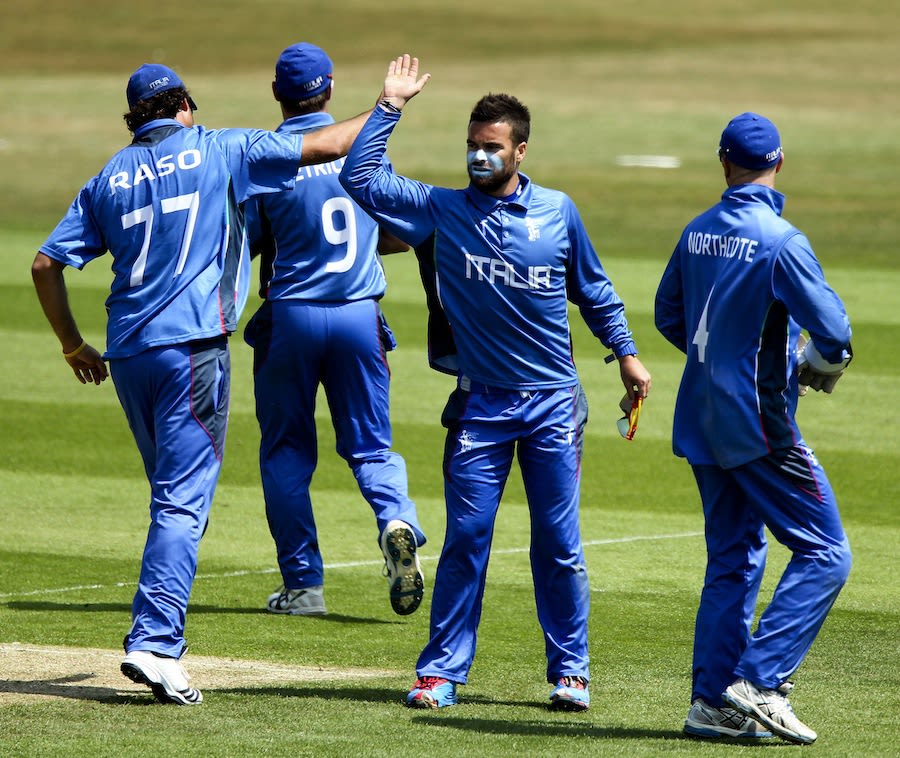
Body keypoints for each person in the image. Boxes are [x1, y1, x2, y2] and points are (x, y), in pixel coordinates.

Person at [30, 57, 427, 706]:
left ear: (134, 119)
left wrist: (73, 344)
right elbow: (331, 145)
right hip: (194, 350)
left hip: (128, 356)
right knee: (182, 503)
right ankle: (156, 646)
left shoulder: (107, 177)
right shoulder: (221, 148)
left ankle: (218, 613)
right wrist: (390, 105)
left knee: (174, 498)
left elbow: (46, 264)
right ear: (185, 105)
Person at [340, 56, 652, 710]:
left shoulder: (558, 213)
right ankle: (440, 673)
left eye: (492, 148)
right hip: (480, 406)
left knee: (559, 545)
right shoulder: (440, 210)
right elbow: (359, 177)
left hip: (552, 407)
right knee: (466, 542)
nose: (479, 157)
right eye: (472, 146)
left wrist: (625, 353)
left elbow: (594, 292)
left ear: (520, 151)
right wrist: (390, 106)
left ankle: (571, 673)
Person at [654, 112, 852, 744]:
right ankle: (761, 681)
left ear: (723, 162)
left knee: (734, 559)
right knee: (827, 553)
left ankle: (711, 705)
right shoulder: (781, 240)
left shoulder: (697, 230)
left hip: (702, 419)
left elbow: (667, 315)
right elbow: (835, 333)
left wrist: (723, 363)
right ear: (781, 162)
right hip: (759, 425)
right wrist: (807, 362)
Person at [243, 42, 426, 618]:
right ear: (330, 89)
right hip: (358, 318)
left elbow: (247, 241)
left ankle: (304, 587)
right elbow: (399, 231)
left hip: (291, 319)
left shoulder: (267, 158)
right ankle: (396, 520)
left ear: (277, 93)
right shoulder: (363, 150)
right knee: (372, 448)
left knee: (286, 453)